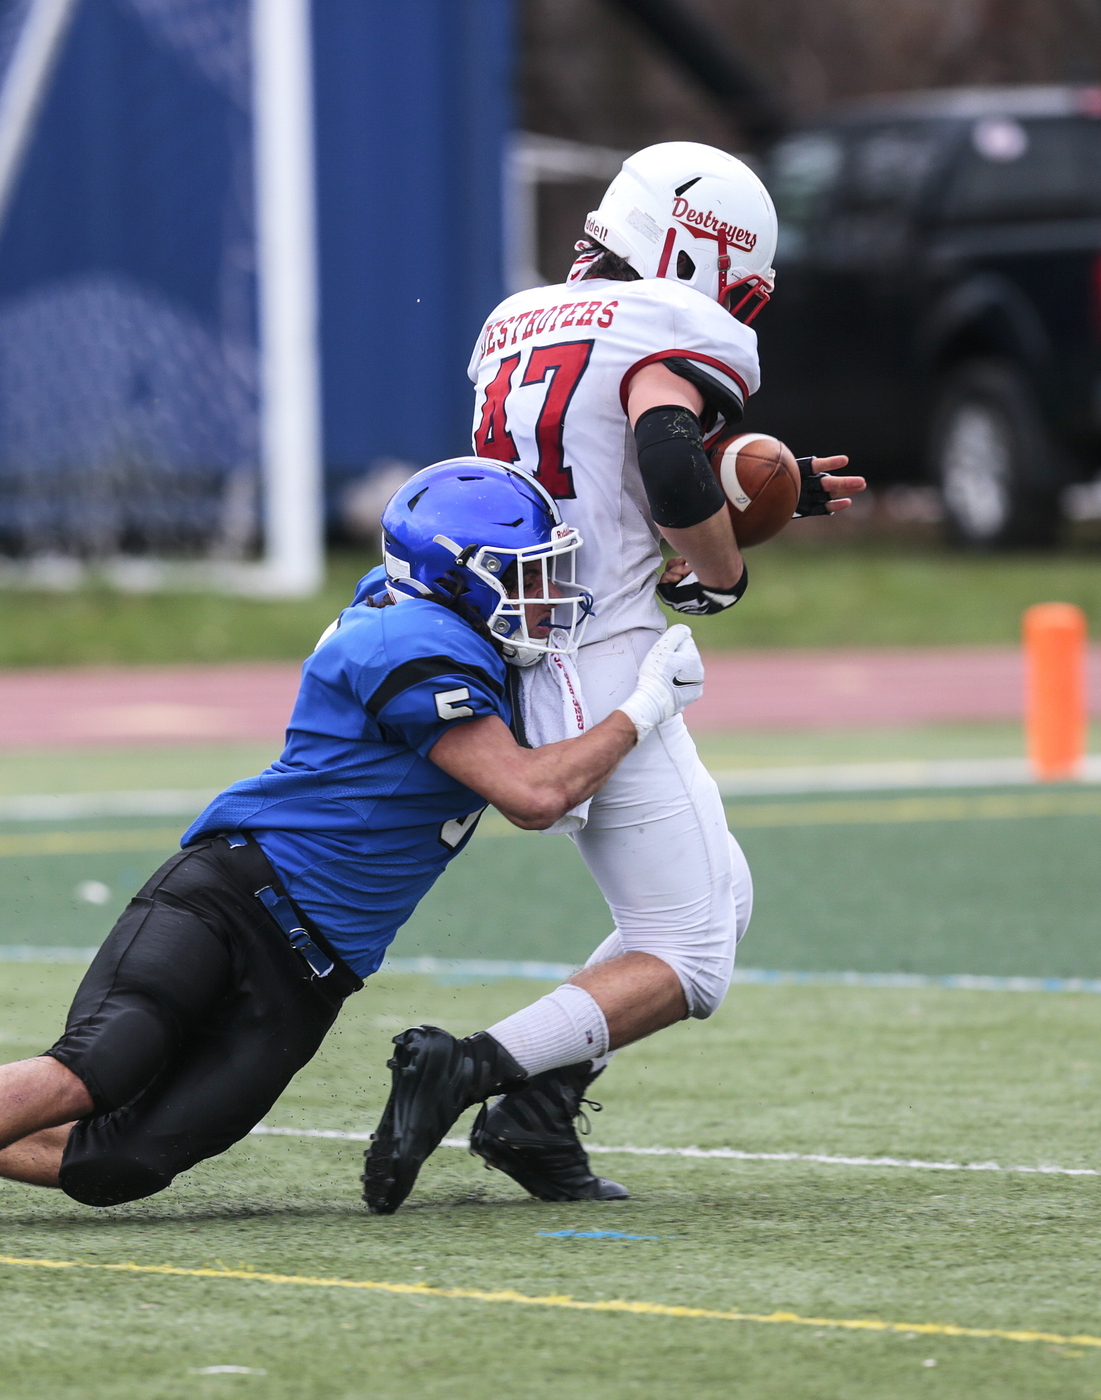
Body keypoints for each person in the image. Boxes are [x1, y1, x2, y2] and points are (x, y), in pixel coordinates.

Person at [0, 458, 709, 1242]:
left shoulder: (442, 617)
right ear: (456, 575)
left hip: (318, 968)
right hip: (237, 891)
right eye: (522, 573)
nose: (546, 593)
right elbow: (533, 796)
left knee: (122, 1164)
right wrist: (643, 707)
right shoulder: (408, 640)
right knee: (96, 1067)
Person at [360, 141, 867, 1215]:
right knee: (691, 957)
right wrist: (719, 575)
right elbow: (668, 456)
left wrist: (765, 493)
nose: (738, 304)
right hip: (606, 653)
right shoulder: (665, 326)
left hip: (534, 634)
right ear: (694, 247)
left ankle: (537, 1113)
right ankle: (469, 1066)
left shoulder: (515, 320)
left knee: (718, 895)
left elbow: (596, 470)